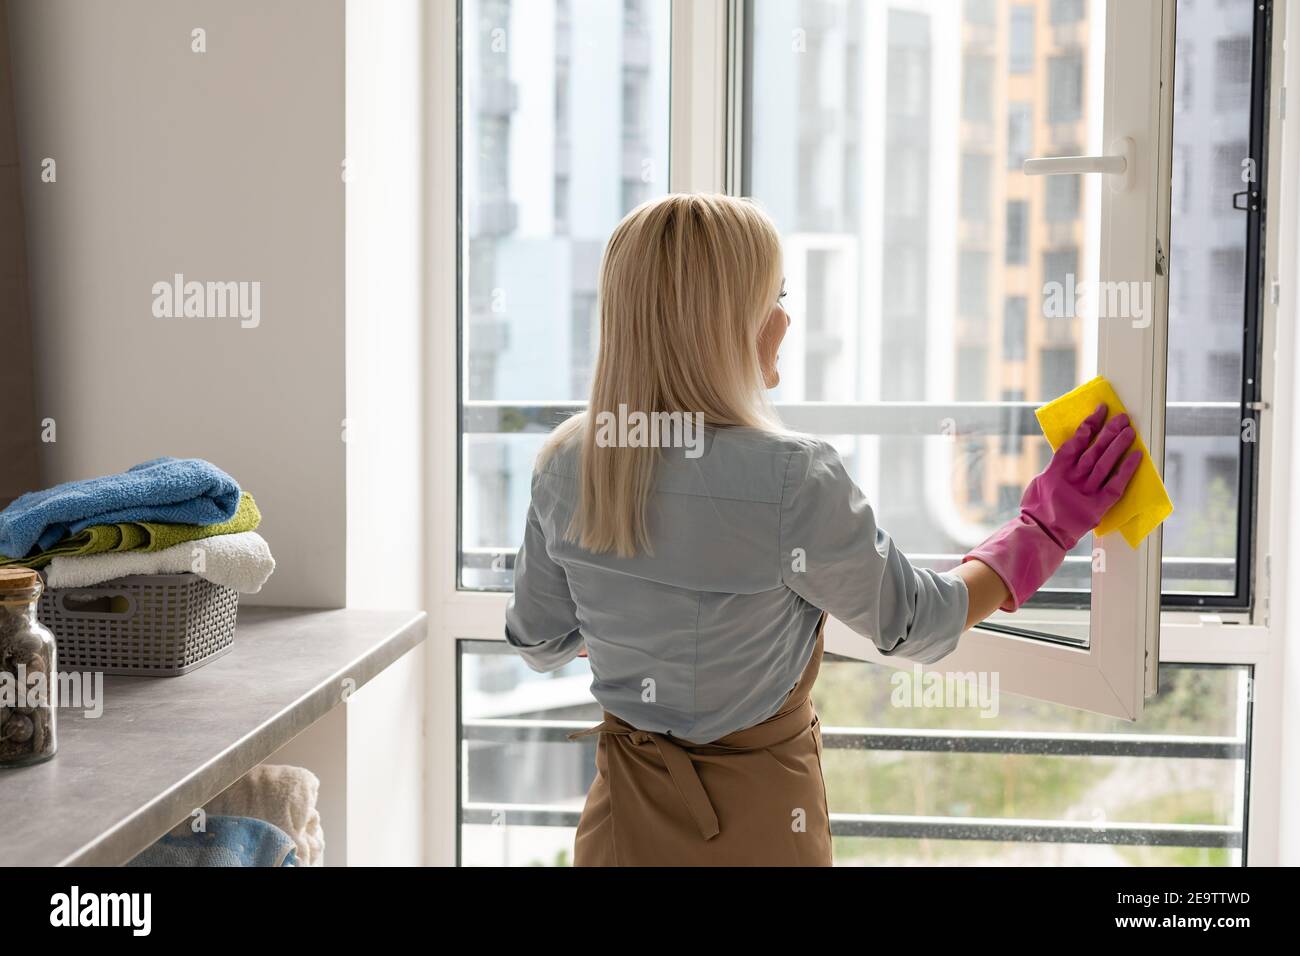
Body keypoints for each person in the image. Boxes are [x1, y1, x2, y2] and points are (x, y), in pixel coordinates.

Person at [504, 193, 1140, 866]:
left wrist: (626, 614)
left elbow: (540, 641)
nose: (786, 317)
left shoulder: (568, 464)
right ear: (732, 322)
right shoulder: (791, 479)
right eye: (776, 295)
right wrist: (1047, 524)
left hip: (619, 831)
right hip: (762, 832)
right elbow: (919, 621)